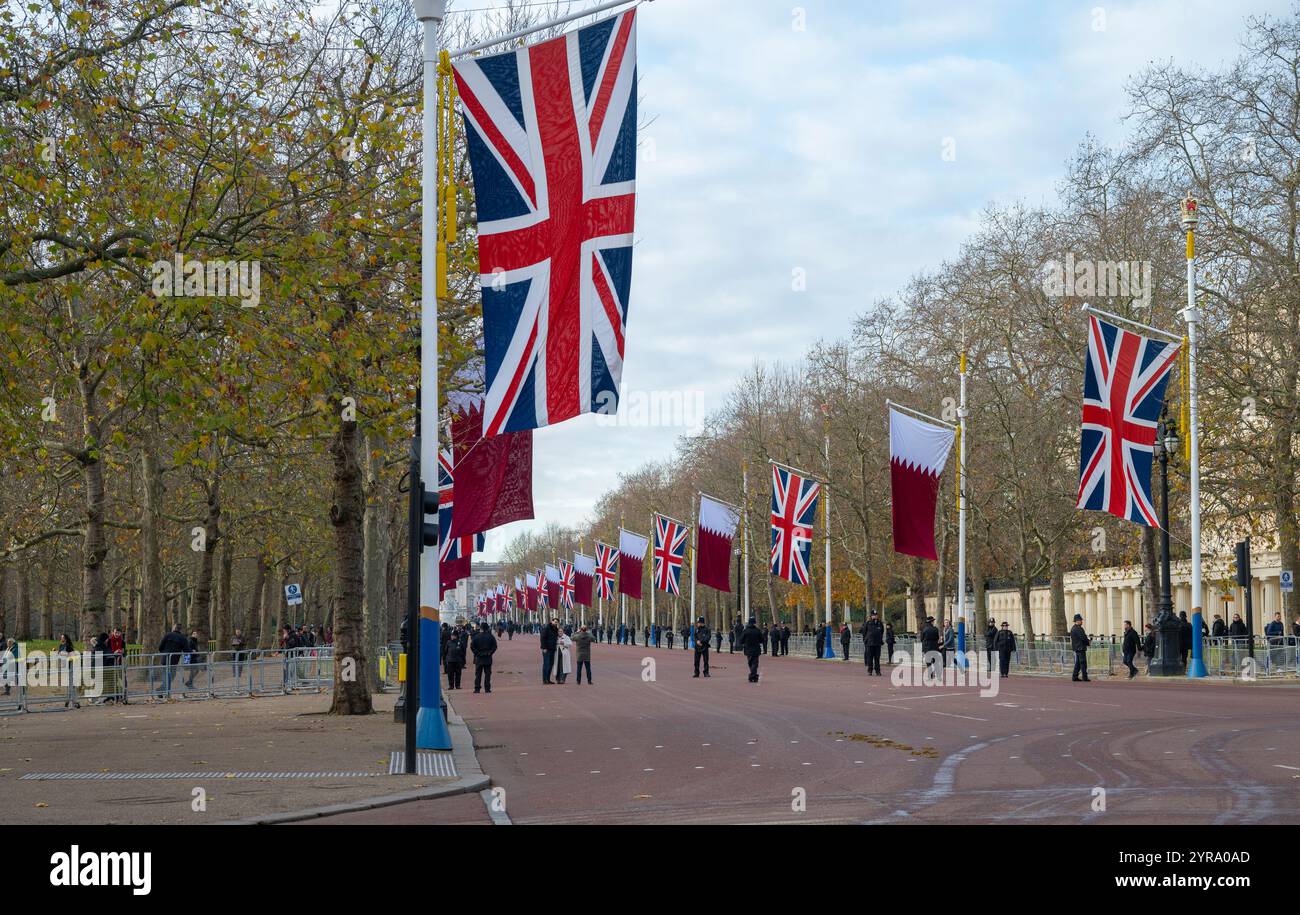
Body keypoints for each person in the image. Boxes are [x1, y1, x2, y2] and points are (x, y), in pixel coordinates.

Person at [158, 624, 188, 697]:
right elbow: (186, 650)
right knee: (171, 676)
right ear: (180, 629)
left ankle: (161, 691)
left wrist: (164, 653)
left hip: (165, 659)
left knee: (166, 676)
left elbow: (160, 647)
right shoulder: (182, 638)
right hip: (174, 660)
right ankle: (165, 693)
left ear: (174, 628)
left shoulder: (167, 635)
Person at [471, 622, 497, 693]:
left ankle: (477, 689)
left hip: (479, 658)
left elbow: (472, 646)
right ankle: (487, 688)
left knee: (478, 674)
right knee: (487, 674)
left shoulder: (476, 636)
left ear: (481, 628)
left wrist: (477, 653)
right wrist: (490, 653)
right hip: (488, 657)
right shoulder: (490, 636)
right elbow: (494, 646)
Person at [444, 623, 467, 690]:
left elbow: (463, 652)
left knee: (458, 674)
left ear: (456, 636)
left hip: (458, 660)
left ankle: (457, 685)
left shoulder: (460, 642)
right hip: (450, 660)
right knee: (450, 674)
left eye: (453, 635)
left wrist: (463, 661)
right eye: (452, 635)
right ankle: (451, 685)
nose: (452, 636)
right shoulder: (448, 642)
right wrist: (446, 659)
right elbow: (446, 651)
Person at [740, 617, 762, 682]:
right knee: (755, 663)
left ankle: (752, 675)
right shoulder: (757, 630)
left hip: (748, 649)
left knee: (750, 663)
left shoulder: (745, 631)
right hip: (756, 649)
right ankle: (753, 676)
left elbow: (741, 640)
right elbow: (761, 640)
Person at [1070, 613, 1091, 682]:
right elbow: (1083, 637)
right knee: (1083, 663)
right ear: (1077, 621)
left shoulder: (1074, 628)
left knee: (1078, 663)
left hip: (1077, 648)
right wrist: (1088, 642)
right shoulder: (1078, 629)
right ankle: (1084, 677)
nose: (1082, 621)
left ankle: (1075, 676)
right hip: (1080, 647)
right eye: (1080, 620)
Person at [862, 611, 884, 675]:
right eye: (873, 615)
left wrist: (879, 639)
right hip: (870, 643)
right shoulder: (868, 623)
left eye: (876, 615)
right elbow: (864, 632)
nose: (875, 616)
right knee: (870, 658)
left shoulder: (880, 623)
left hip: (877, 643)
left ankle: (878, 671)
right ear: (871, 616)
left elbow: (882, 632)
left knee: (877, 658)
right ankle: (870, 670)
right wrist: (866, 640)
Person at [540, 617, 559, 684]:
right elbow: (542, 638)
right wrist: (544, 647)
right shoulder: (547, 628)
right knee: (546, 664)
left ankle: (548, 679)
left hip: (553, 649)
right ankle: (544, 680)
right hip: (546, 649)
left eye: (557, 622)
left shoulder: (556, 629)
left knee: (551, 664)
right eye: (555, 622)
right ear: (552, 621)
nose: (555, 623)